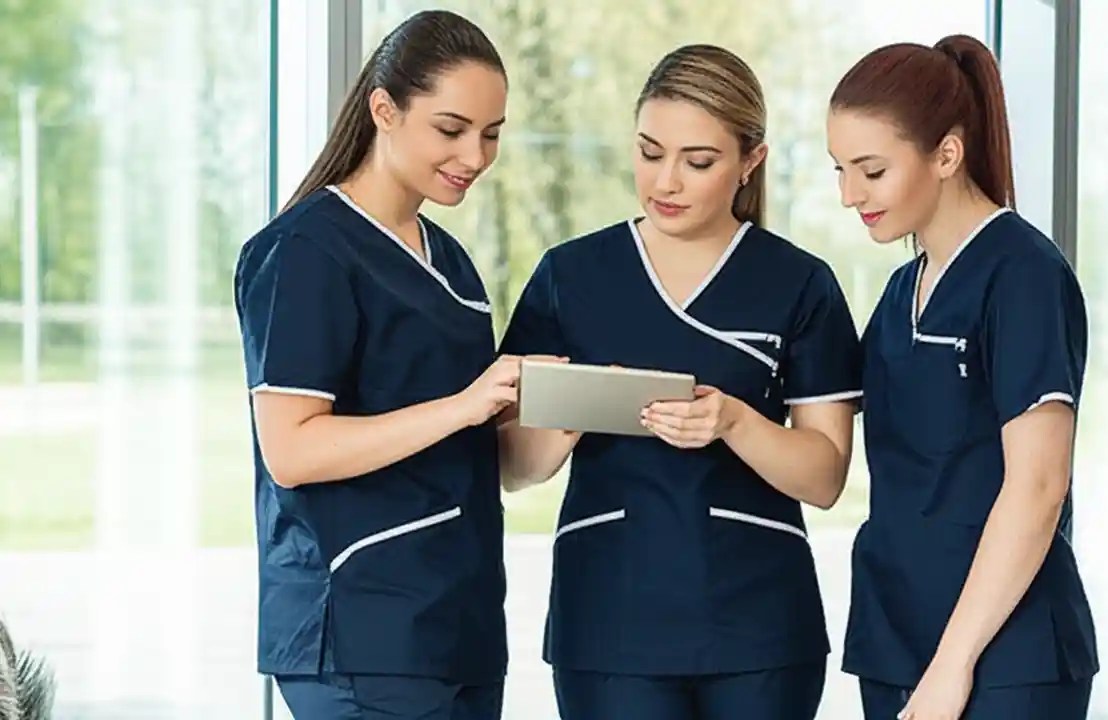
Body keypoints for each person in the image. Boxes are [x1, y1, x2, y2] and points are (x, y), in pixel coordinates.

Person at [496, 44, 863, 720]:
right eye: (649, 152)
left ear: (750, 161)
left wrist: (735, 422)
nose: (665, 182)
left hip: (759, 628)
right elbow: (514, 470)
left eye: (697, 162)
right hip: (609, 621)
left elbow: (824, 478)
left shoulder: (800, 284)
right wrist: (573, 411)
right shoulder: (569, 277)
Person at [233, 11, 521, 719]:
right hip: (360, 632)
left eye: (490, 134)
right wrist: (464, 405)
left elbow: (475, 455)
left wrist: (559, 409)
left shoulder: (451, 262)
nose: (475, 156)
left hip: (459, 628)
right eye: (451, 129)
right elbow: (292, 450)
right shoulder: (306, 251)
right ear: (384, 110)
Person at [826, 34, 1099, 720]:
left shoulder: (1024, 275)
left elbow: (1038, 487)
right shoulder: (901, 293)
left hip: (1003, 658)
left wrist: (954, 664)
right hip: (895, 642)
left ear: (947, 154)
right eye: (840, 171)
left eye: (871, 171)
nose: (850, 195)